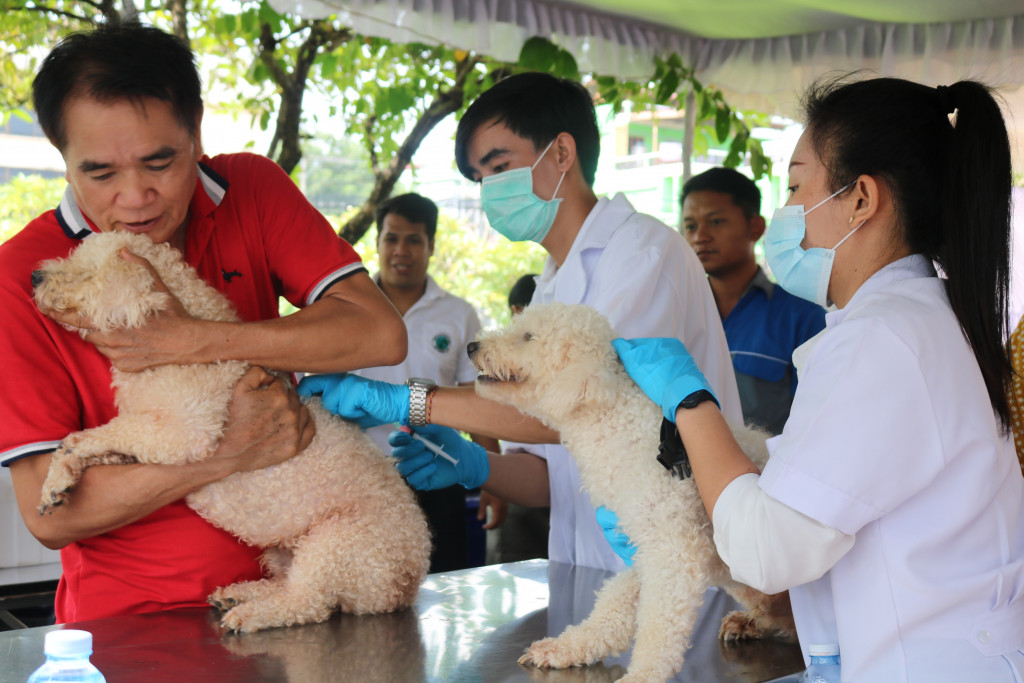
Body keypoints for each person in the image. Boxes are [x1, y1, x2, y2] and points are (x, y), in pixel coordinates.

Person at [608, 76, 1024, 681]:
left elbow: (770, 550)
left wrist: (690, 403)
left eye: (797, 186)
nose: (788, 212)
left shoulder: (882, 339)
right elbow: (820, 513)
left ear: (861, 199)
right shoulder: (926, 318)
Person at [0, 23, 406, 623]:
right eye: (100, 173)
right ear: (64, 161)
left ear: (195, 134)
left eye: (159, 162)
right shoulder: (23, 280)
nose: (135, 196)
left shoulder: (251, 189)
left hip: (309, 590)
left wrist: (197, 339)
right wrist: (228, 453)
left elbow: (379, 332)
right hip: (135, 623)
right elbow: (48, 512)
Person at [299, 71, 742, 572]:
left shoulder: (639, 255)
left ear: (560, 153)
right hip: (594, 573)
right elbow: (550, 474)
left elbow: (587, 412)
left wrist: (409, 401)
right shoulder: (550, 287)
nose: (489, 190)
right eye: (479, 178)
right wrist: (479, 467)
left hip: (679, 571)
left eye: (498, 166)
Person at [353, 192, 503, 572]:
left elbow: (480, 399)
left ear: (431, 245)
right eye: (391, 238)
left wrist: (496, 479)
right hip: (358, 481)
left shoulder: (458, 314)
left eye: (413, 239)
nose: (400, 250)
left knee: (443, 594)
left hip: (437, 477)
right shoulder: (348, 311)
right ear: (378, 243)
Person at [681, 167, 826, 434]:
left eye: (715, 221)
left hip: (766, 472)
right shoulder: (677, 313)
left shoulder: (802, 317)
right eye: (690, 226)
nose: (700, 236)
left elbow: (814, 424)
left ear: (755, 228)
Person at [490, 273, 550, 564]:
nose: (517, 321)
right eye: (514, 313)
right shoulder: (506, 366)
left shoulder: (567, 362)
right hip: (522, 491)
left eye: (525, 312)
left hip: (571, 493)